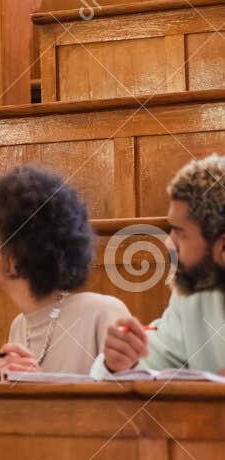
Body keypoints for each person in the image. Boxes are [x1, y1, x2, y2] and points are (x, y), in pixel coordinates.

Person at [0, 164, 128, 376]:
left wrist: (41, 387)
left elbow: (133, 406)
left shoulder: (103, 313)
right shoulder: (19, 326)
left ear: (17, 254)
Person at [91, 154, 225, 377]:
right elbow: (151, 360)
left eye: (181, 233)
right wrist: (120, 362)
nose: (168, 243)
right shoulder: (193, 297)